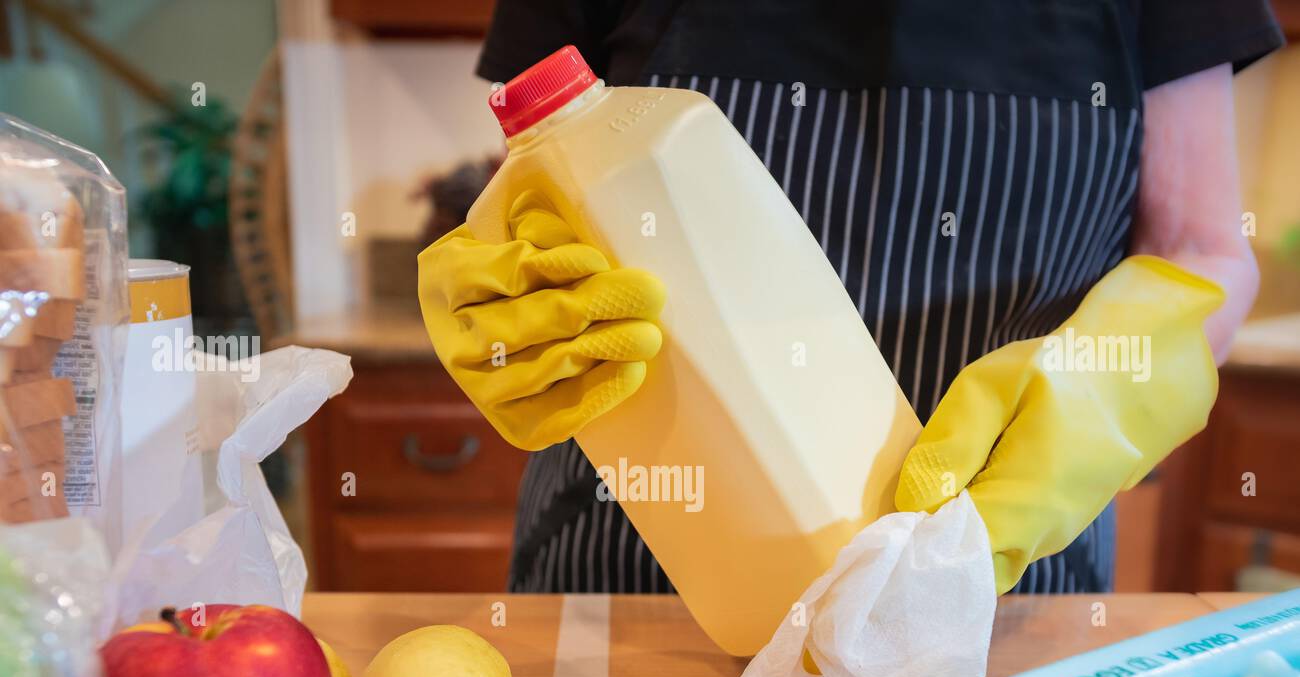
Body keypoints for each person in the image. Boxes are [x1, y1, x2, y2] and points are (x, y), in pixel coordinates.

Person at [423, 0, 1280, 597]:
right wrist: (505, 309)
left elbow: (1201, 251)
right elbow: (543, 168)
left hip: (990, 591)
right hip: (631, 578)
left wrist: (1104, 389)